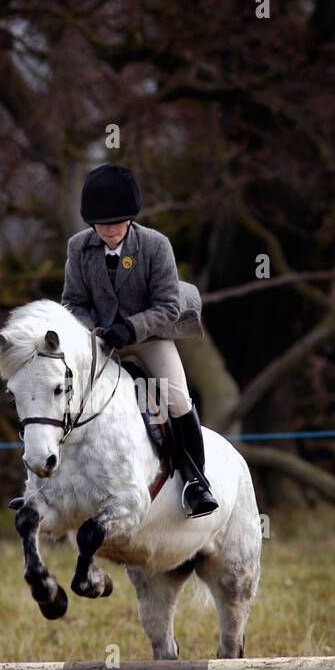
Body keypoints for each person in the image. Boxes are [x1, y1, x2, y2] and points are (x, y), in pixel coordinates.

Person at [60, 163, 218, 518]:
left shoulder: (154, 246)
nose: (109, 231)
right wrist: (94, 332)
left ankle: (196, 481)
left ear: (130, 218)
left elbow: (168, 305)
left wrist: (130, 329)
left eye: (115, 224)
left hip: (148, 337)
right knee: (66, 393)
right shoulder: (78, 247)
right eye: (101, 225)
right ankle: (52, 484)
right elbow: (72, 302)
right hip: (100, 341)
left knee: (175, 397)